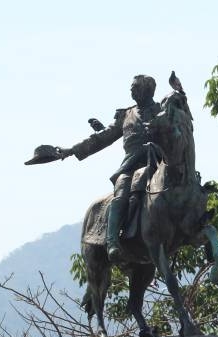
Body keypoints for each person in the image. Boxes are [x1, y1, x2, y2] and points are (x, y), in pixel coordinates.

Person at [57, 74, 162, 261]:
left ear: (147, 90)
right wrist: (72, 150)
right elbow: (102, 137)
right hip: (131, 167)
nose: (131, 90)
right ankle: (112, 240)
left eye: (135, 87)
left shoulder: (163, 111)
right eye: (132, 87)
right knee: (121, 192)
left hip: (160, 163)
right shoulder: (126, 115)